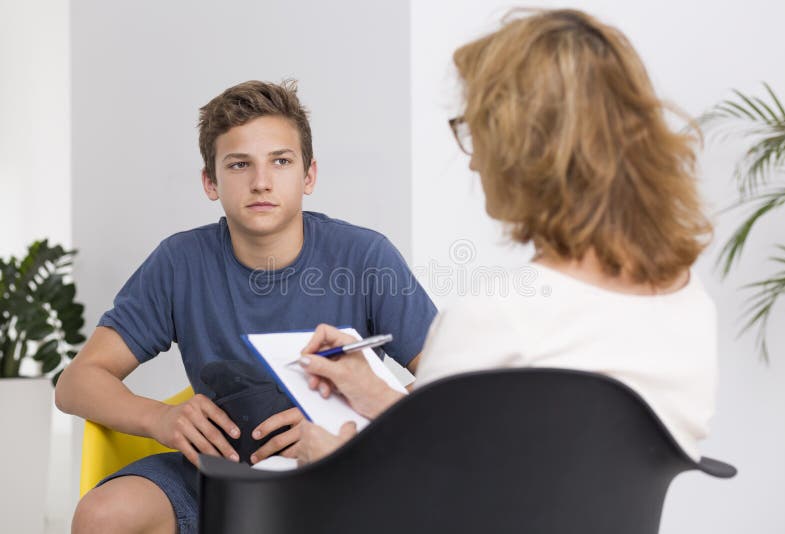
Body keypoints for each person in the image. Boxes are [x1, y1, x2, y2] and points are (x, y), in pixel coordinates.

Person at [291, 8, 717, 466]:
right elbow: (522, 466)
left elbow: (427, 499)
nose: (473, 162)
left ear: (522, 148)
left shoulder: (494, 320)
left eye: (475, 130)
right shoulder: (689, 306)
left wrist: (332, 460)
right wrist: (376, 393)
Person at [55, 80, 437, 534]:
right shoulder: (180, 262)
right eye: (239, 165)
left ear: (309, 175)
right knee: (103, 516)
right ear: (210, 182)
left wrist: (349, 425)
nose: (261, 182)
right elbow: (76, 382)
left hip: (340, 468)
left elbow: (448, 380)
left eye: (280, 161)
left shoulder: (364, 256)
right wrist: (161, 417)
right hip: (217, 475)